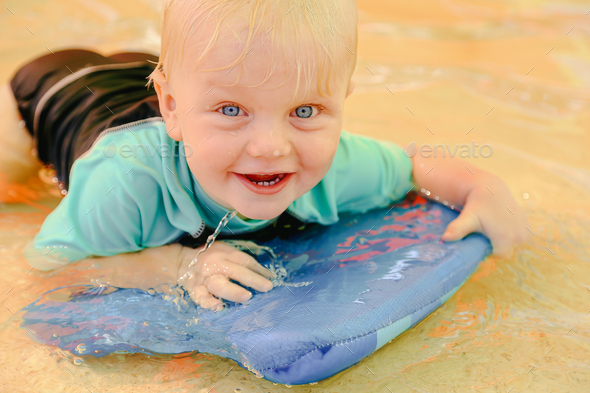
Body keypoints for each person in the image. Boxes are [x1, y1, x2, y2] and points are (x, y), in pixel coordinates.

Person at [0, 0, 531, 311]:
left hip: (171, 75)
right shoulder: (125, 182)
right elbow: (48, 270)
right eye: (232, 110)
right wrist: (175, 265)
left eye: (305, 110)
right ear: (174, 109)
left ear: (342, 103)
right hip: (53, 88)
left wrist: (481, 185)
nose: (272, 146)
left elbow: (418, 161)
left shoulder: (333, 166)